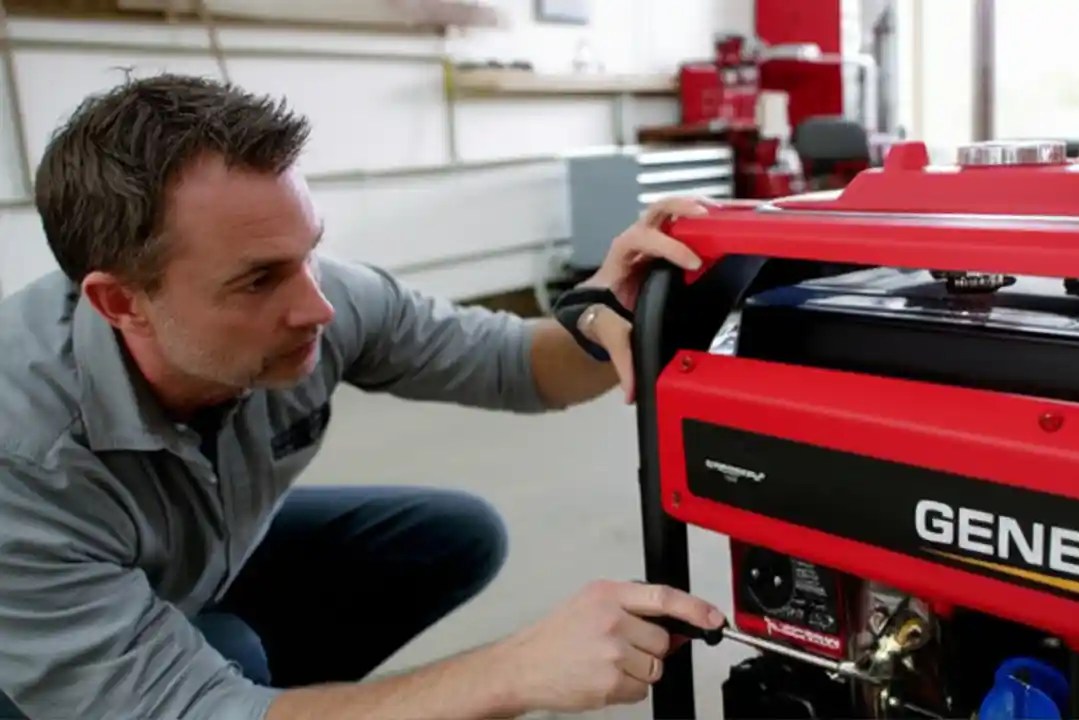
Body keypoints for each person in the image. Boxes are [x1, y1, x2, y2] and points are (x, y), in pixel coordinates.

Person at [0, 73, 724, 720]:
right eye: (257, 281)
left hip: (169, 557)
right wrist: (512, 673)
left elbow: (515, 365)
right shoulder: (21, 459)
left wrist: (628, 309)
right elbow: (187, 708)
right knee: (227, 660)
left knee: (449, 536)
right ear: (121, 300)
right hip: (29, 648)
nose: (315, 305)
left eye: (308, 251)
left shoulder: (323, 299)